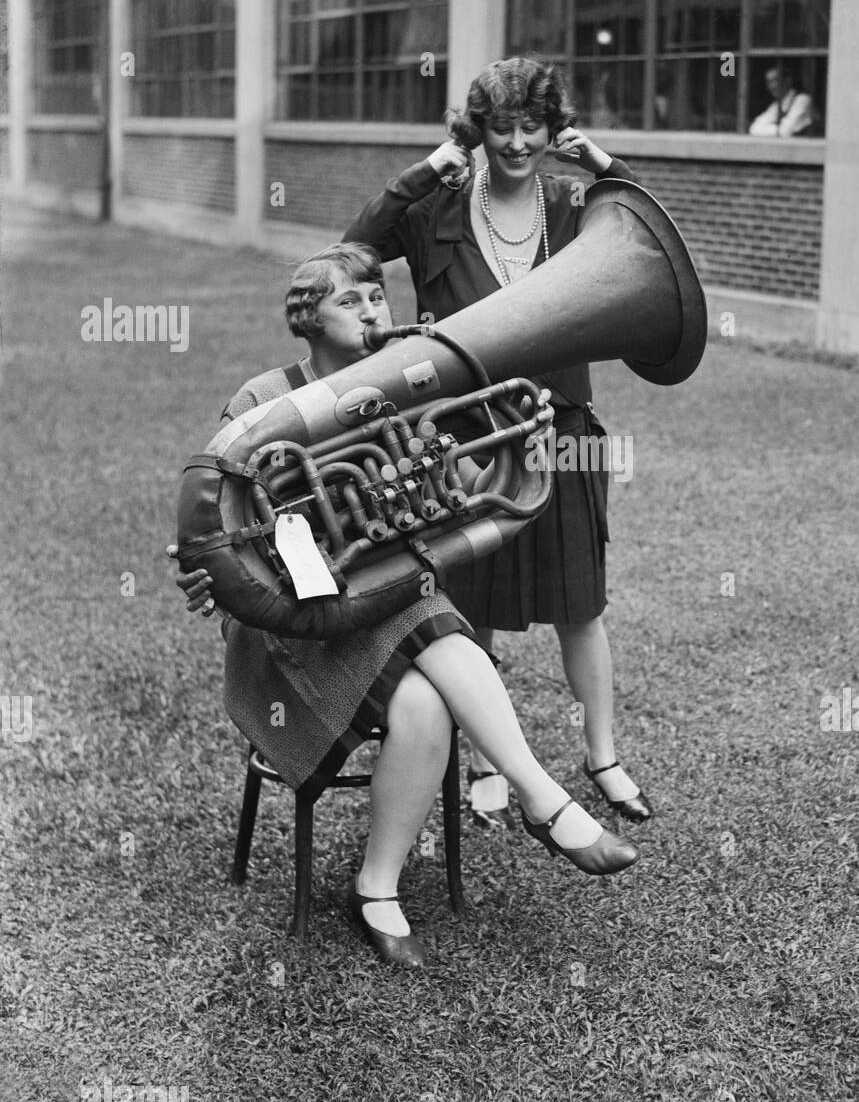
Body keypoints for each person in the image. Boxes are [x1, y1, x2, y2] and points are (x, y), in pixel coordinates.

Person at [171, 243, 638, 970]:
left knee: (424, 694)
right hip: (290, 632)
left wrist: (527, 439)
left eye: (376, 296)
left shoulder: (408, 385)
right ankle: (545, 802)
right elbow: (210, 518)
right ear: (307, 320)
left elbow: (466, 487)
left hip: (382, 600)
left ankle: (377, 889)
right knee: (426, 612)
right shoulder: (263, 401)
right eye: (348, 301)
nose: (370, 311)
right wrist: (205, 574)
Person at [343, 55, 655, 830]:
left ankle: (603, 757)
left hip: (563, 430)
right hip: (464, 439)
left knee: (581, 604)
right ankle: (487, 763)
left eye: (532, 127)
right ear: (476, 130)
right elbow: (355, 247)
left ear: (554, 129)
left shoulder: (574, 202)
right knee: (470, 601)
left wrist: (605, 165)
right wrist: (427, 170)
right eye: (501, 127)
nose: (517, 143)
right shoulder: (437, 209)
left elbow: (649, 233)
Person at [748, 64, 816, 137]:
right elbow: (754, 128)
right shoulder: (778, 103)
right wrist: (779, 129)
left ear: (788, 80)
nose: (772, 86)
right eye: (769, 82)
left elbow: (786, 131)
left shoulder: (802, 100)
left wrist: (769, 128)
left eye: (776, 80)